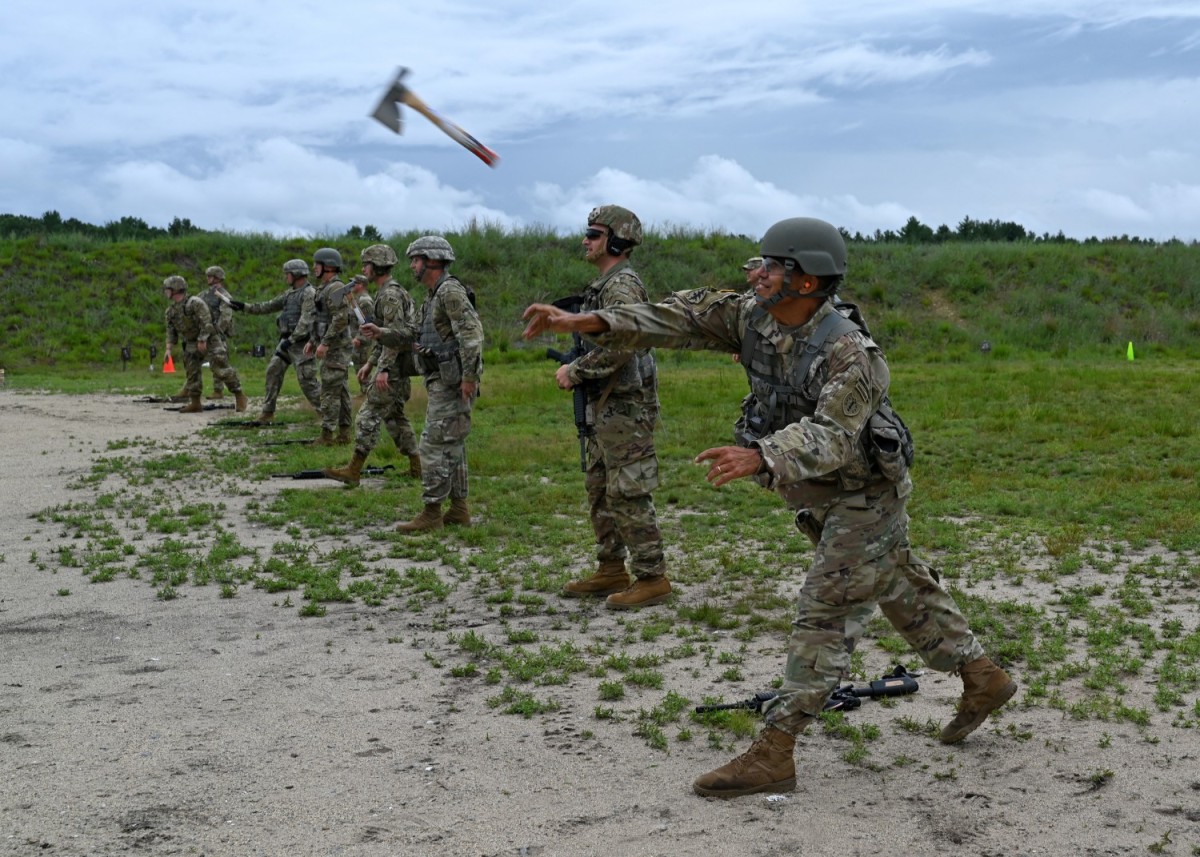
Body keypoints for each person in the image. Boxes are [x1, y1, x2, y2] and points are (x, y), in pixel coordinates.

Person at [522, 216, 1017, 798]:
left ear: (807, 281)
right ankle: (983, 677)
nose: (757, 273)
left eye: (773, 266)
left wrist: (760, 456)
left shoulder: (850, 352)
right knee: (897, 585)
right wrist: (589, 321)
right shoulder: (750, 316)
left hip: (865, 494)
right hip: (820, 494)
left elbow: (833, 436)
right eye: (761, 263)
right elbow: (676, 318)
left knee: (825, 612)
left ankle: (776, 750)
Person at [551, 205, 670, 610]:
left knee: (628, 491)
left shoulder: (621, 287)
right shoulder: (606, 285)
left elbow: (624, 344)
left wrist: (576, 371)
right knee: (600, 488)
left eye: (594, 234)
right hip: (609, 405)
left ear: (617, 240)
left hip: (625, 409)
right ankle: (612, 568)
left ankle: (652, 577)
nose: (585, 240)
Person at [369, 236, 482, 532]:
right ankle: (459, 510)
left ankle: (432, 512)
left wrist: (469, 378)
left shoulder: (449, 292)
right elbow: (413, 333)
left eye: (416, 260)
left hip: (452, 382)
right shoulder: (434, 295)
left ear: (432, 260)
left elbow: (472, 335)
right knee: (453, 444)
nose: (412, 266)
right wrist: (381, 332)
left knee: (432, 443)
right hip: (442, 380)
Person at [324, 245, 421, 486]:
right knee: (395, 417)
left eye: (366, 264)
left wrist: (383, 369)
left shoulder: (389, 296)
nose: (363, 268)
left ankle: (353, 470)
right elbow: (382, 336)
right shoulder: (386, 293)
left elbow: (394, 336)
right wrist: (370, 363)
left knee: (367, 416)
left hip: (394, 368)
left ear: (377, 267)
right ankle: (417, 467)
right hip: (395, 366)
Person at [228, 259, 321, 422]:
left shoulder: (309, 293)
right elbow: (268, 306)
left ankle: (328, 415)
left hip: (302, 345)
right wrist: (243, 306)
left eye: (288, 274)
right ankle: (267, 412)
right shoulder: (289, 294)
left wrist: (291, 340)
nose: (286, 277)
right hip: (287, 343)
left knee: (307, 382)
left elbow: (306, 321)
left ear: (296, 274)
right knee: (273, 371)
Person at [162, 275, 247, 413]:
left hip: (210, 340)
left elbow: (206, 322)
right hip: (191, 342)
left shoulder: (195, 303)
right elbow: (171, 331)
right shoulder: (171, 311)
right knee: (192, 372)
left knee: (221, 369)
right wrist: (168, 349)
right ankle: (195, 403)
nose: (165, 291)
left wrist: (202, 340)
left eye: (167, 289)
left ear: (176, 289)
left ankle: (239, 395)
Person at [306, 248, 353, 446]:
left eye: (317, 264)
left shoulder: (335, 288)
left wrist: (325, 343)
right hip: (332, 347)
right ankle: (344, 434)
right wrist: (313, 341)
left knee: (330, 392)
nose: (314, 268)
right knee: (340, 391)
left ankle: (327, 435)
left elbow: (340, 318)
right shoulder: (325, 288)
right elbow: (321, 318)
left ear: (329, 266)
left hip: (336, 349)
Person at [200, 266, 236, 400]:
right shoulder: (204, 294)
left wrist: (215, 332)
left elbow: (225, 318)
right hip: (205, 333)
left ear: (218, 278)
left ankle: (219, 390)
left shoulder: (225, 296)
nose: (208, 278)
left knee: (219, 362)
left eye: (210, 276)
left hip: (217, 334)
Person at [347, 274, 376, 396]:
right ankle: (365, 392)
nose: (351, 285)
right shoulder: (356, 299)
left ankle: (369, 393)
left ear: (361, 285)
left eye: (353, 283)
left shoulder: (365, 301)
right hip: (356, 340)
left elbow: (368, 322)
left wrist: (360, 338)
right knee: (359, 366)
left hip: (363, 341)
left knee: (363, 366)